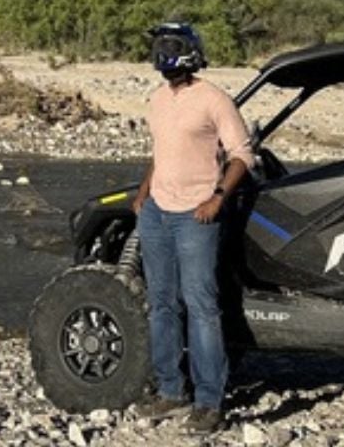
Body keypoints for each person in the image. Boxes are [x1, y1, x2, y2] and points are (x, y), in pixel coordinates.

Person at [132, 21, 254, 434]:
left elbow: (242, 154)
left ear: (188, 51)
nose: (162, 54)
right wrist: (144, 191)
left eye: (169, 46)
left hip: (196, 215)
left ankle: (209, 401)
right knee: (162, 303)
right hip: (157, 213)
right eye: (159, 46)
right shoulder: (157, 99)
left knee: (201, 306)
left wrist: (218, 196)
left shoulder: (214, 99)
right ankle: (170, 390)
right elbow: (162, 150)